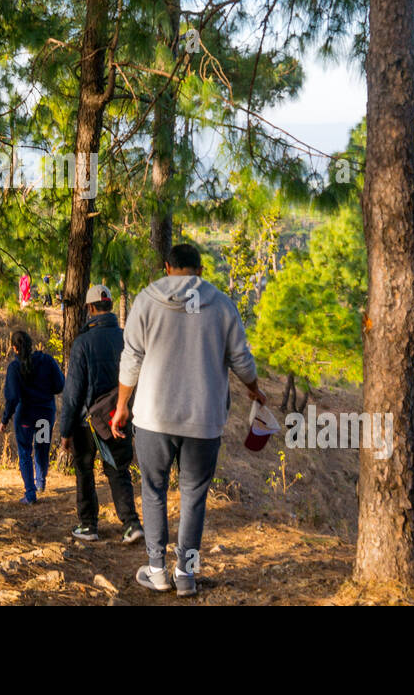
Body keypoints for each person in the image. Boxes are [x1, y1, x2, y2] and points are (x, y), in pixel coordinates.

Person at [113, 243, 263, 598]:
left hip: (153, 416)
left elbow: (131, 358)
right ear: (200, 269)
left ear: (167, 267)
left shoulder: (146, 301)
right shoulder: (222, 304)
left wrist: (121, 406)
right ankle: (186, 575)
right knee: (194, 496)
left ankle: (156, 570)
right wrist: (254, 389)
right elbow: (242, 358)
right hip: (203, 419)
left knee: (153, 491)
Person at [57, 284, 143, 544]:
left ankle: (88, 525)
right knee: (118, 471)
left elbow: (73, 393)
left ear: (90, 308)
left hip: (87, 421)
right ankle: (131, 525)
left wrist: (65, 433)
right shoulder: (126, 338)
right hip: (120, 414)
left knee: (84, 470)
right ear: (110, 306)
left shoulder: (83, 343)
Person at [1, 330, 65, 504]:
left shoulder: (15, 367)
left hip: (25, 418)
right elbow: (60, 385)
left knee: (25, 452)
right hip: (44, 415)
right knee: (42, 447)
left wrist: (5, 419)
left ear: (14, 348)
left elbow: (13, 397)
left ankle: (30, 494)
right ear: (31, 344)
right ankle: (41, 482)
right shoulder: (47, 361)